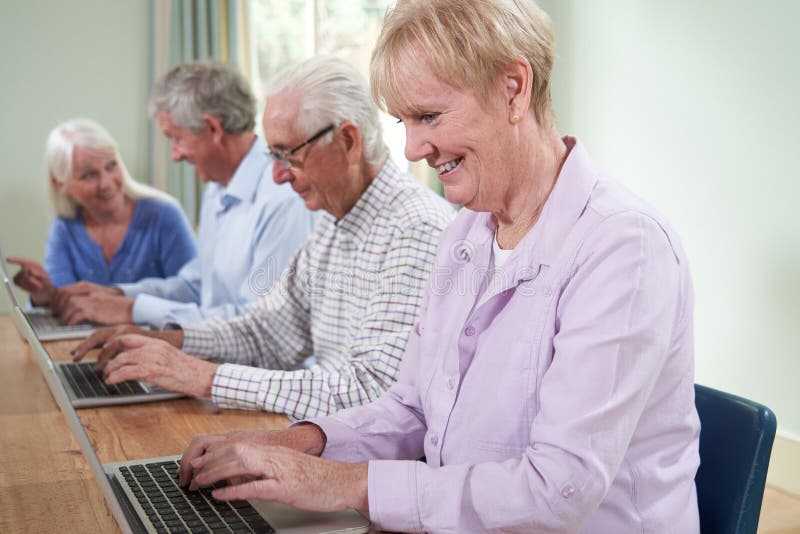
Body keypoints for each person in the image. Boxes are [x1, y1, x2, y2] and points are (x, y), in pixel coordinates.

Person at [173, 1, 702, 532]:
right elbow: (411, 408)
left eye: (429, 116)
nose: (412, 147)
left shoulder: (623, 247)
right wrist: (295, 442)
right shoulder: (466, 234)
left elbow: (558, 488)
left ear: (514, 88)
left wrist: (343, 483)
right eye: (404, 121)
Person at [73, 56, 455, 421]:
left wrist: (202, 377)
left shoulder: (415, 229)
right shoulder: (334, 217)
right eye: (273, 156)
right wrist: (170, 343)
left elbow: (370, 391)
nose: (277, 176)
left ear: (348, 142)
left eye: (289, 156)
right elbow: (269, 333)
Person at [53, 62, 316, 328]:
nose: (175, 155)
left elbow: (260, 324)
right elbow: (197, 285)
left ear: (213, 129)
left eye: (176, 139)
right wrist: (117, 295)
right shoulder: (218, 188)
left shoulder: (282, 199)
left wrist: (133, 311)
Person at [8, 118, 196, 317]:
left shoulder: (164, 215)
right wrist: (44, 296)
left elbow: (195, 293)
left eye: (111, 166)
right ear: (60, 184)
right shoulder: (65, 228)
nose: (106, 183)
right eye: (89, 175)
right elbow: (63, 305)